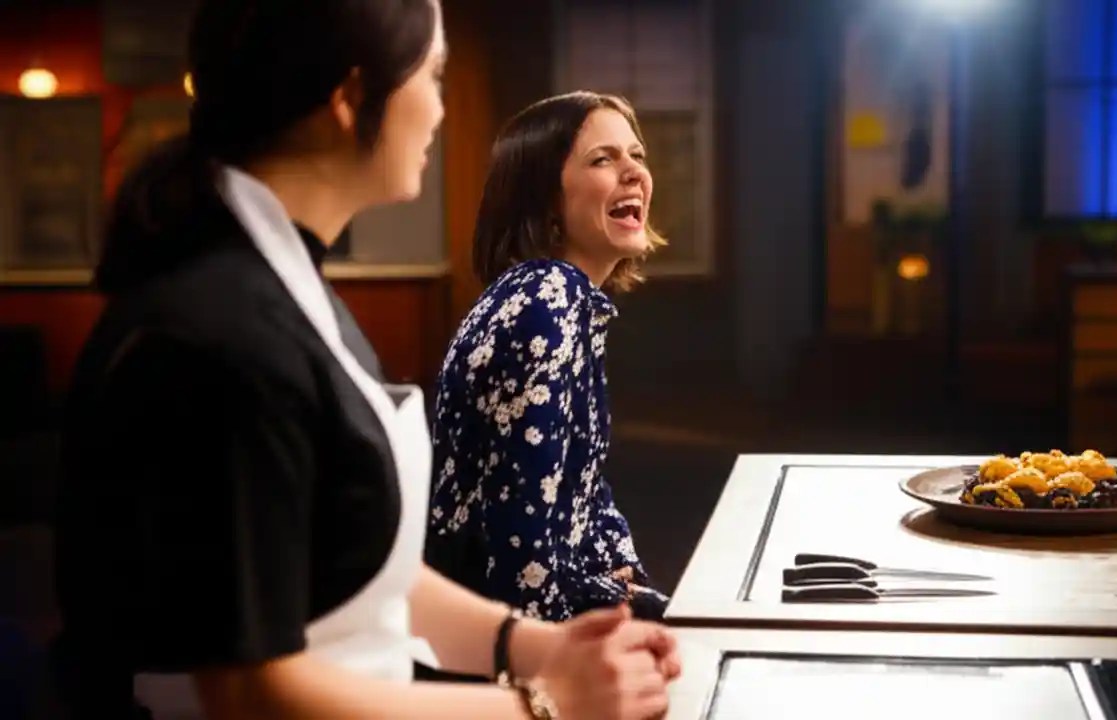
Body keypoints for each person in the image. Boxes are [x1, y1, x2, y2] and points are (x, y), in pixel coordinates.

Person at [52, 2, 679, 719]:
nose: (440, 112)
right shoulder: (223, 330)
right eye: (433, 76)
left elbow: (362, 564)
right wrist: (541, 703)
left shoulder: (284, 286)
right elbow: (249, 691)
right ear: (351, 100)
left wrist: (534, 648)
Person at [426, 92, 669, 622]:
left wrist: (622, 568)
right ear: (543, 196)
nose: (634, 173)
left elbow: (582, 487)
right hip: (494, 646)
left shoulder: (562, 298)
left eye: (637, 155)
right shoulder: (544, 300)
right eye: (603, 159)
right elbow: (522, 550)